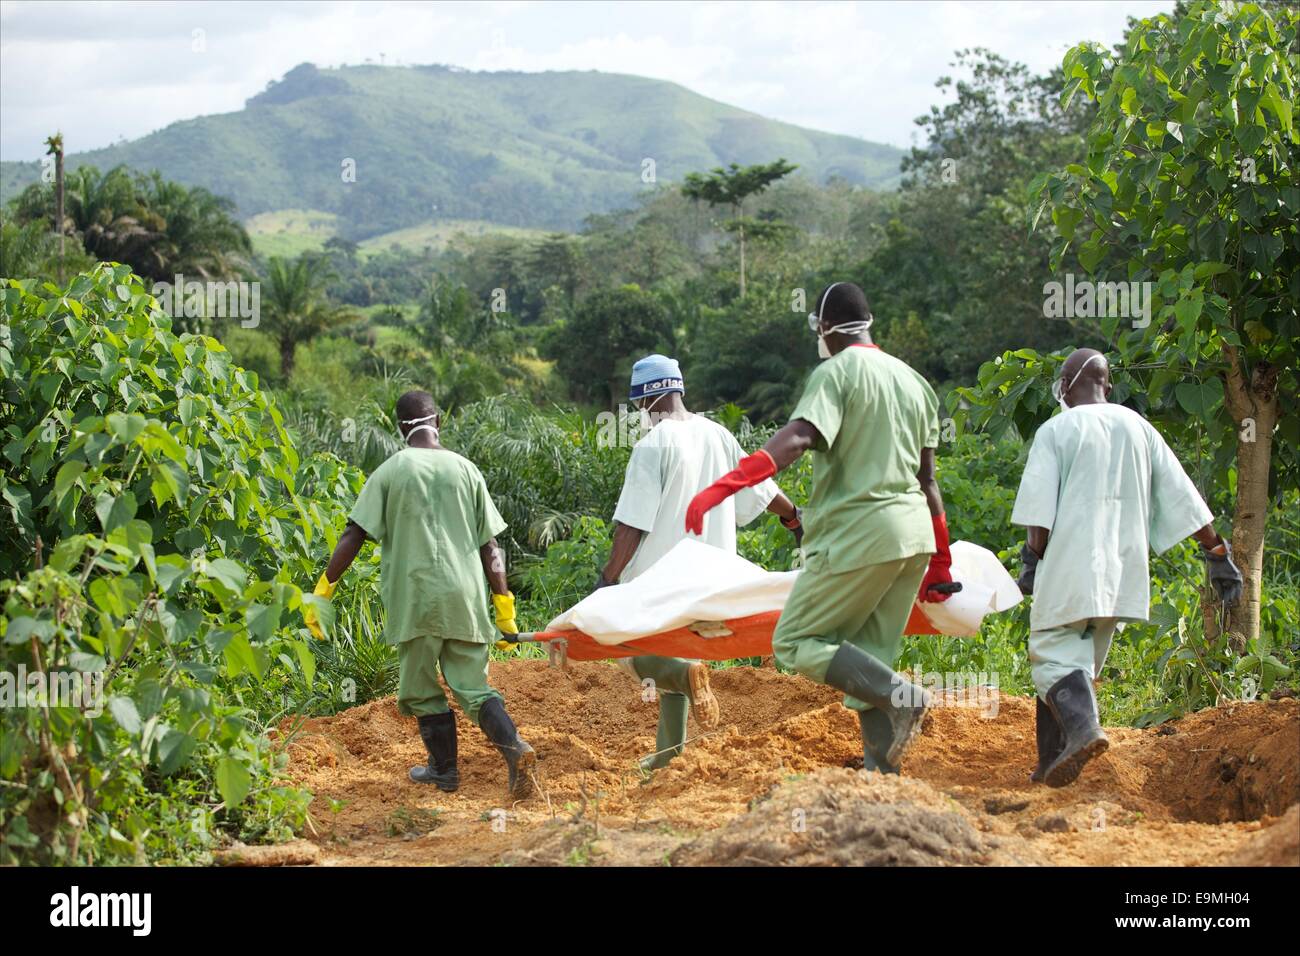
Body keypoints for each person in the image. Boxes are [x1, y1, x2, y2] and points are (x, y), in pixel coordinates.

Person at [685, 283, 955, 774]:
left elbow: (801, 436)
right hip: (912, 536)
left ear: (825, 328)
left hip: (859, 535)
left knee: (795, 641)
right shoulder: (914, 381)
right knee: (868, 654)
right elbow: (929, 481)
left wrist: (727, 485)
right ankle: (881, 773)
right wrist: (941, 561)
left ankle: (904, 699)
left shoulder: (836, 373)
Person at [1012, 348, 1243, 787]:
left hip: (1068, 571)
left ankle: (1085, 731)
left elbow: (1038, 520)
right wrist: (1218, 555)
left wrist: (1032, 560)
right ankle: (1050, 766)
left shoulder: (1056, 429)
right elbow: (1183, 497)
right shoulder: (1139, 428)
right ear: (1109, 386)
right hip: (1121, 577)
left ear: (1063, 386)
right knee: (1075, 665)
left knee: (1052, 656)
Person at [304, 390, 536, 798]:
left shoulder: (391, 471)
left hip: (415, 601)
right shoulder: (467, 471)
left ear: (400, 429)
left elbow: (354, 533)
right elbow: (491, 547)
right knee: (475, 689)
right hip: (464, 599)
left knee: (420, 690)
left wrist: (324, 589)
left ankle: (444, 772)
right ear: (438, 422)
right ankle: (514, 748)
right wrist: (504, 606)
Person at [595, 354, 803, 770]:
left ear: (643, 401)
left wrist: (608, 580)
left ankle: (686, 681)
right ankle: (667, 760)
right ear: (678, 390)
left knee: (621, 644)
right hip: (712, 580)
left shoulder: (653, 444)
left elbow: (631, 526)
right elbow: (759, 489)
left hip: (660, 581)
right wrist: (794, 515)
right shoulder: (718, 434)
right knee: (678, 655)